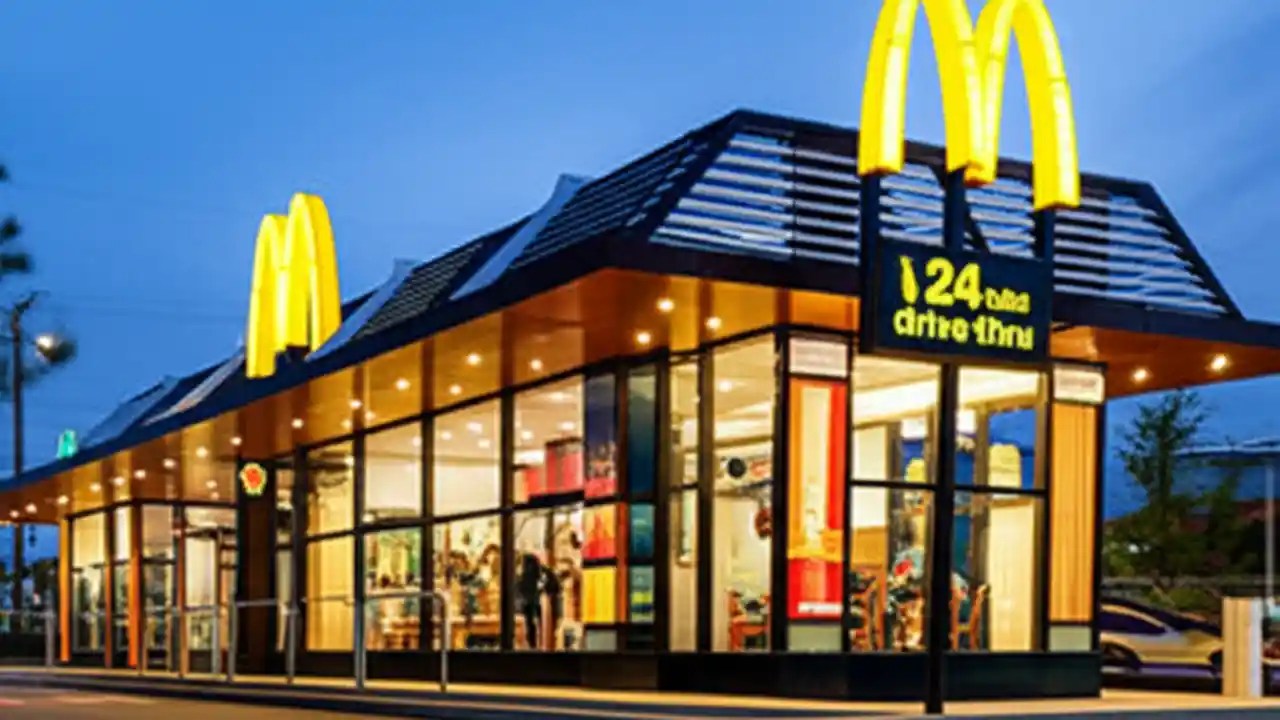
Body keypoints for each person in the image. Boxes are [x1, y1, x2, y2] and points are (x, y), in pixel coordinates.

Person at [517, 553, 543, 649]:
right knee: (532, 627)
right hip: (533, 604)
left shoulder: (522, 578)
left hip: (525, 605)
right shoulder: (537, 578)